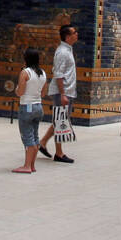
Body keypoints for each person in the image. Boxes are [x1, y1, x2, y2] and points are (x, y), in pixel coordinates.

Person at [38, 24, 77, 163]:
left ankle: (42, 143)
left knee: (60, 119)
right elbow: (58, 73)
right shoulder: (62, 52)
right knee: (61, 120)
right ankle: (59, 153)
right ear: (67, 36)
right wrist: (62, 94)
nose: (76, 34)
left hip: (67, 91)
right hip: (63, 91)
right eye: (74, 32)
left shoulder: (68, 50)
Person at [13, 47, 46, 174]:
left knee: (27, 137)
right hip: (38, 106)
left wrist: (16, 90)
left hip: (27, 107)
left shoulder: (25, 73)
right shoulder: (43, 73)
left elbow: (20, 92)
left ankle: (26, 166)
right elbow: (43, 93)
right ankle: (32, 164)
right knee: (35, 136)